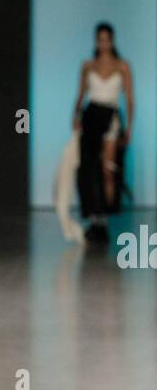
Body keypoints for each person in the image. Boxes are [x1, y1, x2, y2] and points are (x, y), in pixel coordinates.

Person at [72, 22, 134, 245]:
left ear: (112, 40)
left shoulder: (122, 66)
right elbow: (81, 94)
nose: (104, 42)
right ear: (96, 40)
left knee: (107, 170)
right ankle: (95, 219)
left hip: (111, 116)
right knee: (89, 169)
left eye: (107, 38)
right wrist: (75, 116)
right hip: (91, 115)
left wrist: (129, 129)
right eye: (100, 38)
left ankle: (104, 220)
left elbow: (129, 99)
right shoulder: (88, 65)